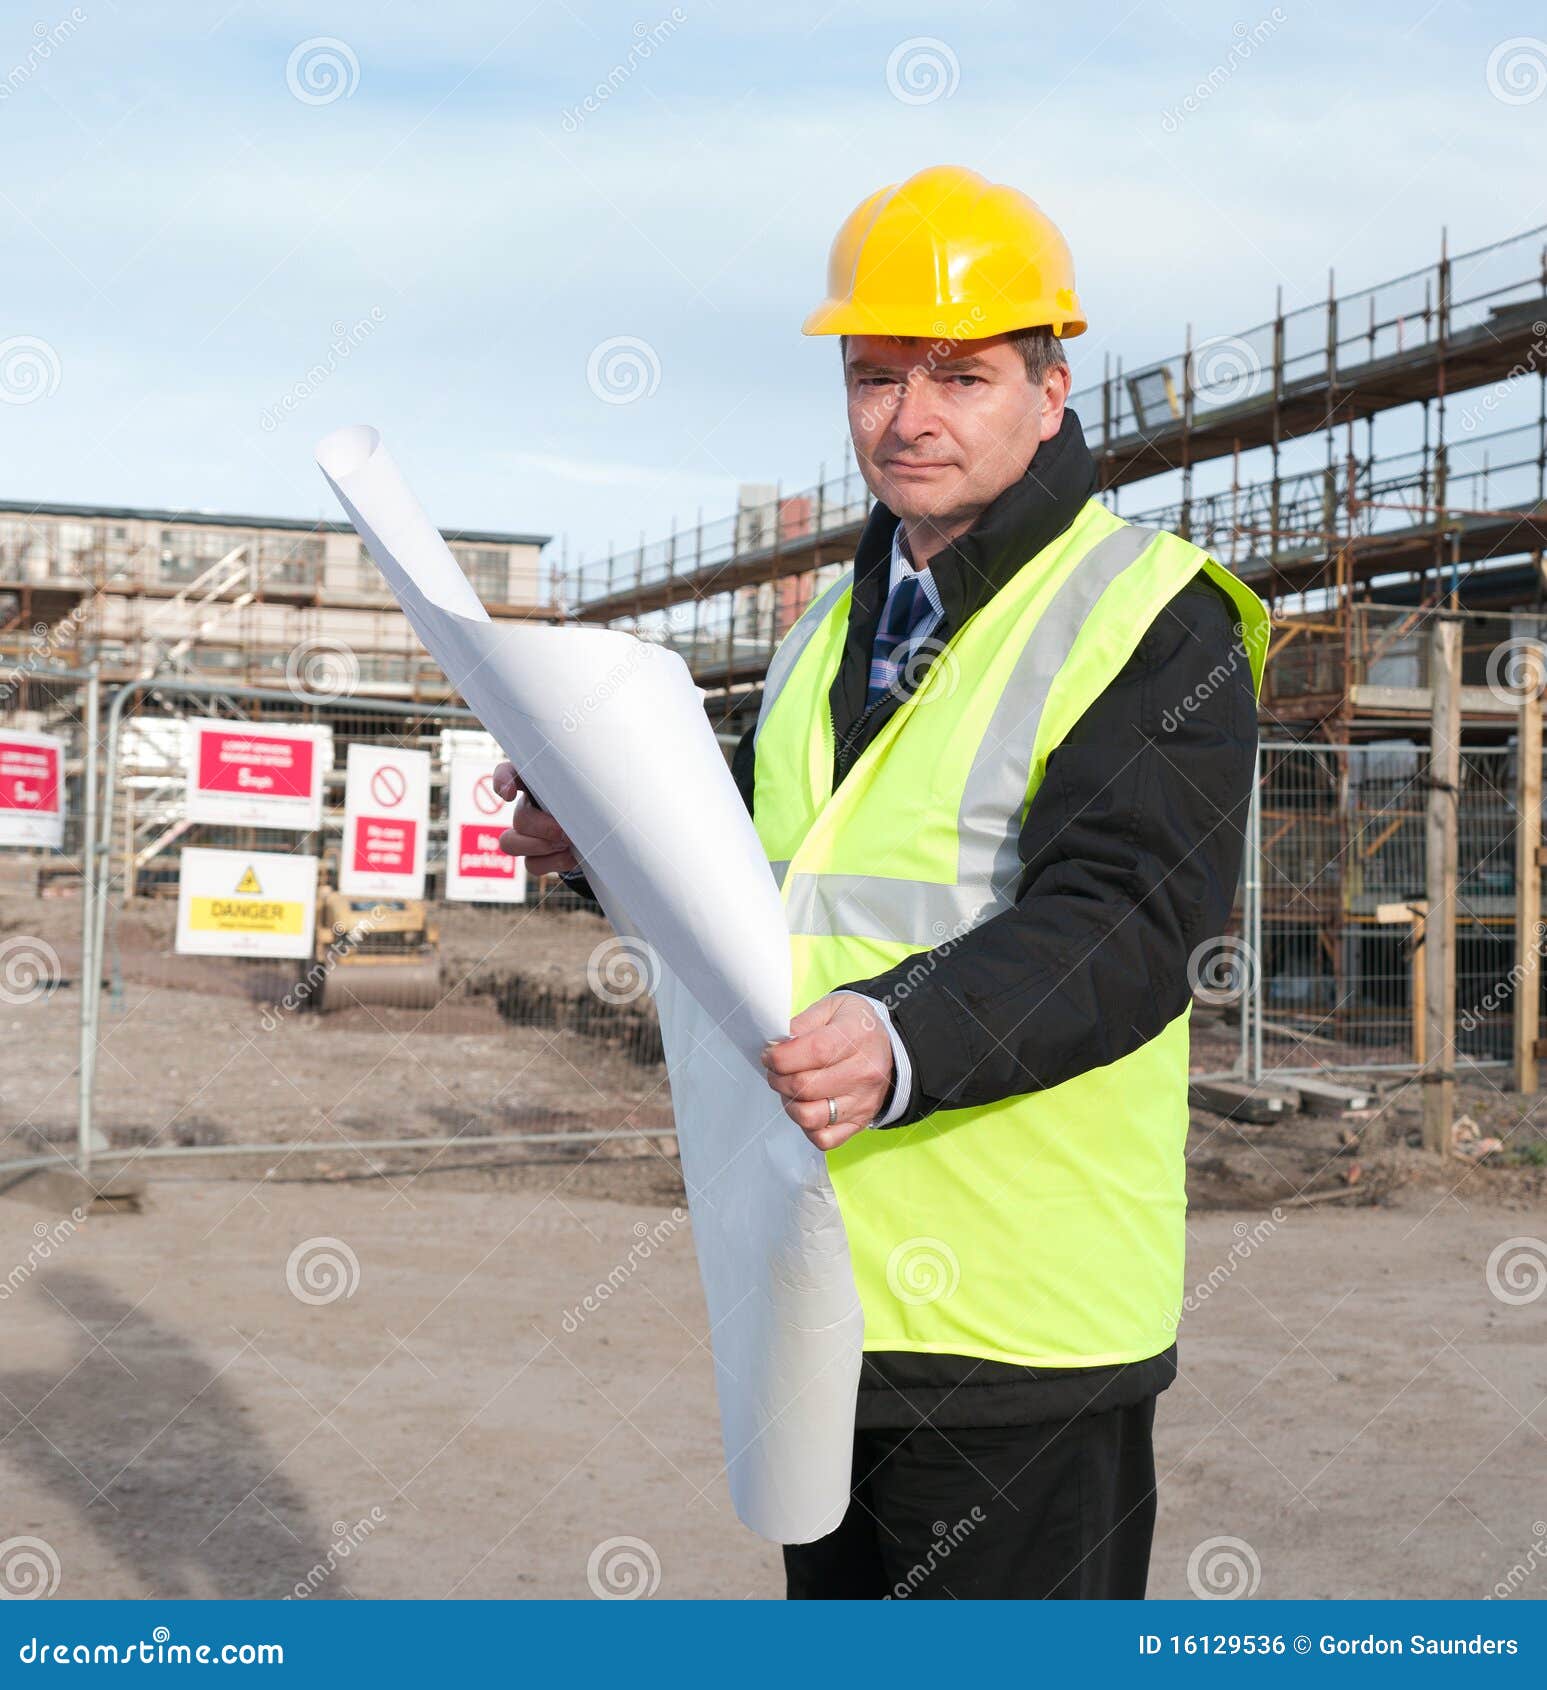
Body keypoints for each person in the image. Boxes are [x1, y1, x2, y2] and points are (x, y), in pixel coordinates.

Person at [496, 164, 1266, 1600]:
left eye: (958, 374)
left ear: (1051, 386)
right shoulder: (821, 638)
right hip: (815, 1291)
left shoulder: (1154, 617)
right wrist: (597, 847)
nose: (907, 416)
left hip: (1022, 1324)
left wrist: (905, 1035)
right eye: (873, 376)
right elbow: (764, 896)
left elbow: (1126, 915)